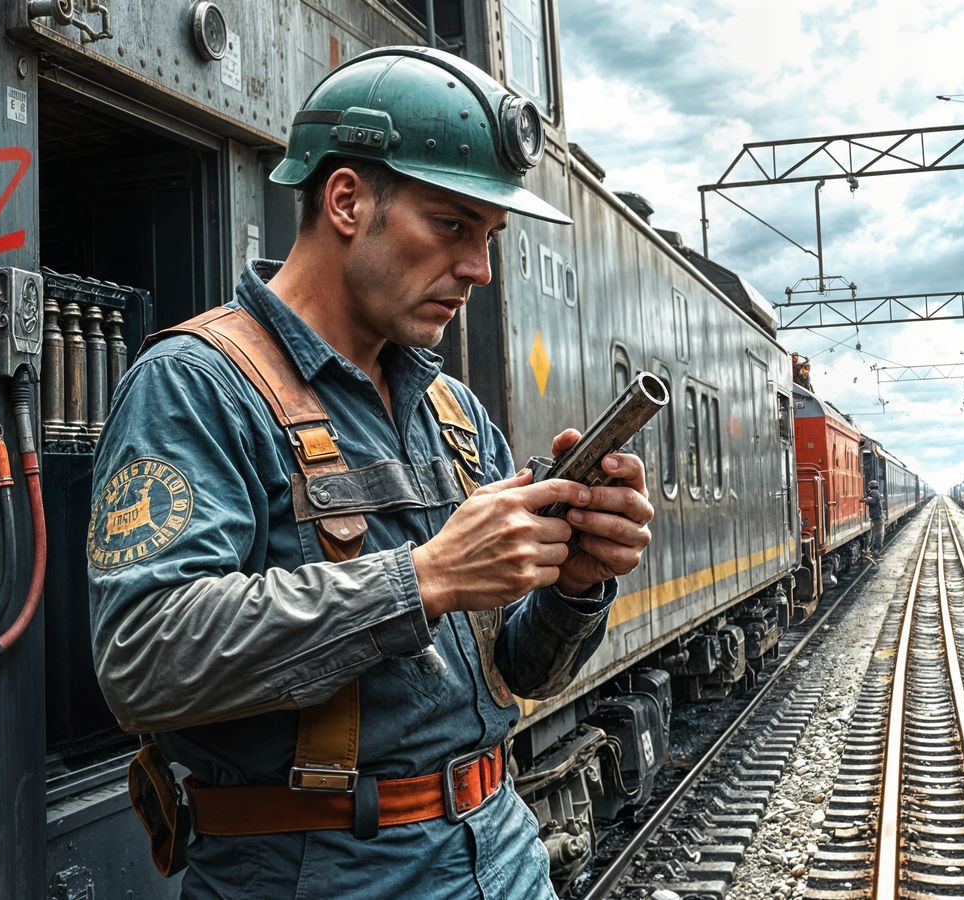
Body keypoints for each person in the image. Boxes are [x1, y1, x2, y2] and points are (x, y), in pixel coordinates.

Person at [87, 47, 653, 898]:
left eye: (489, 238)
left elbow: (523, 677)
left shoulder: (452, 414)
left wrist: (576, 586)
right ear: (346, 200)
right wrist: (423, 578)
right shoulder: (196, 387)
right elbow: (145, 654)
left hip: (501, 854)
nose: (479, 270)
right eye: (453, 226)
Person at [863, 479, 886, 557]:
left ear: (871, 486)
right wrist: (865, 498)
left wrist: (865, 500)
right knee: (875, 534)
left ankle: (876, 551)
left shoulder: (875, 493)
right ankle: (874, 550)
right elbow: (866, 498)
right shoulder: (873, 493)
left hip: (878, 517)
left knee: (878, 535)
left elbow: (871, 501)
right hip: (876, 517)